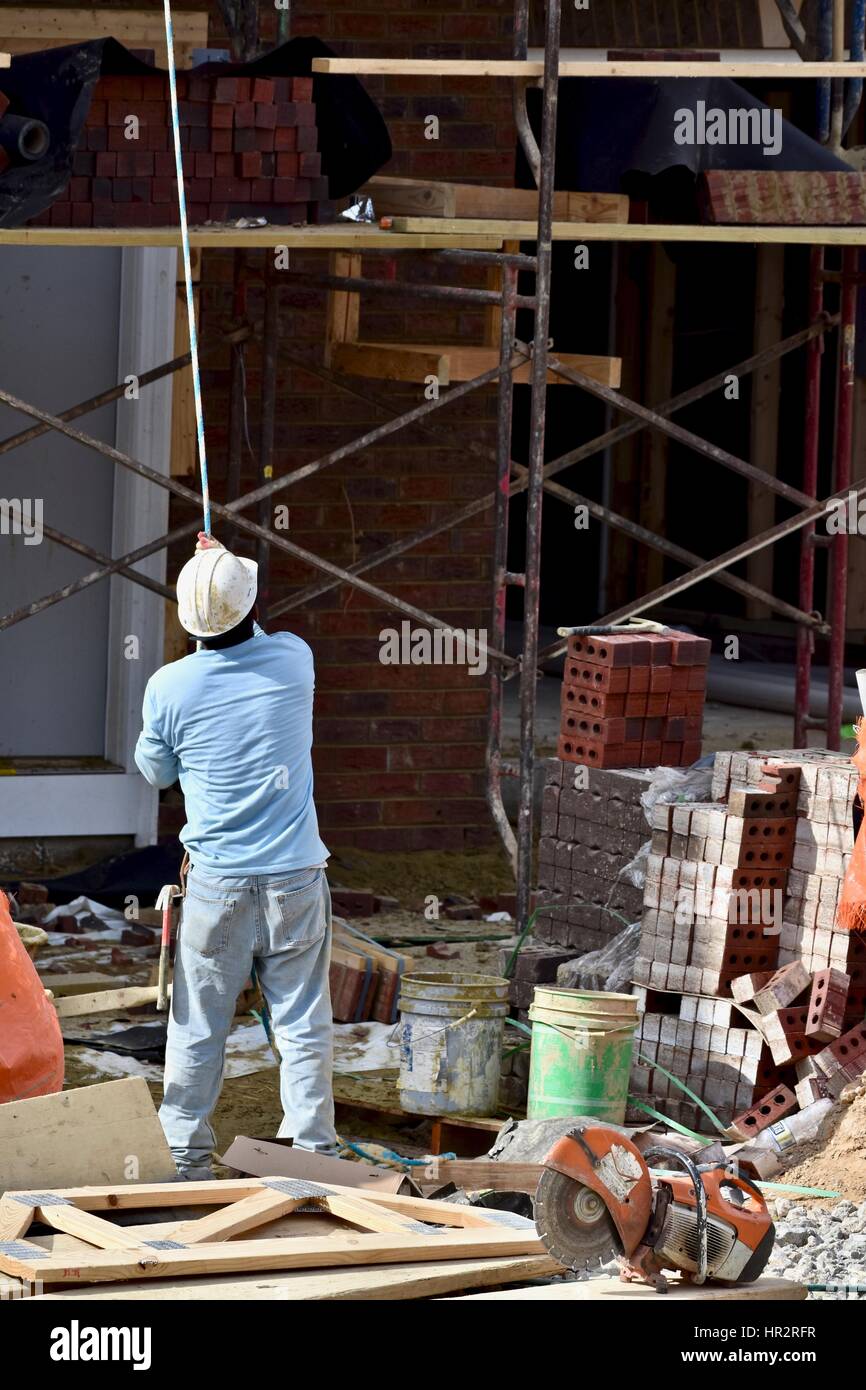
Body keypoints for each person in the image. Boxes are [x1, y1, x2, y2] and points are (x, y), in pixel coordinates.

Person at [134, 533, 337, 1178]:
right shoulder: (295, 661)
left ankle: (183, 1157)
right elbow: (259, 629)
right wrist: (220, 570)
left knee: (199, 1026)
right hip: (296, 878)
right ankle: (312, 1152)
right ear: (252, 605)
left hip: (218, 884)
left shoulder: (168, 686)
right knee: (302, 1020)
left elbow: (156, 773)